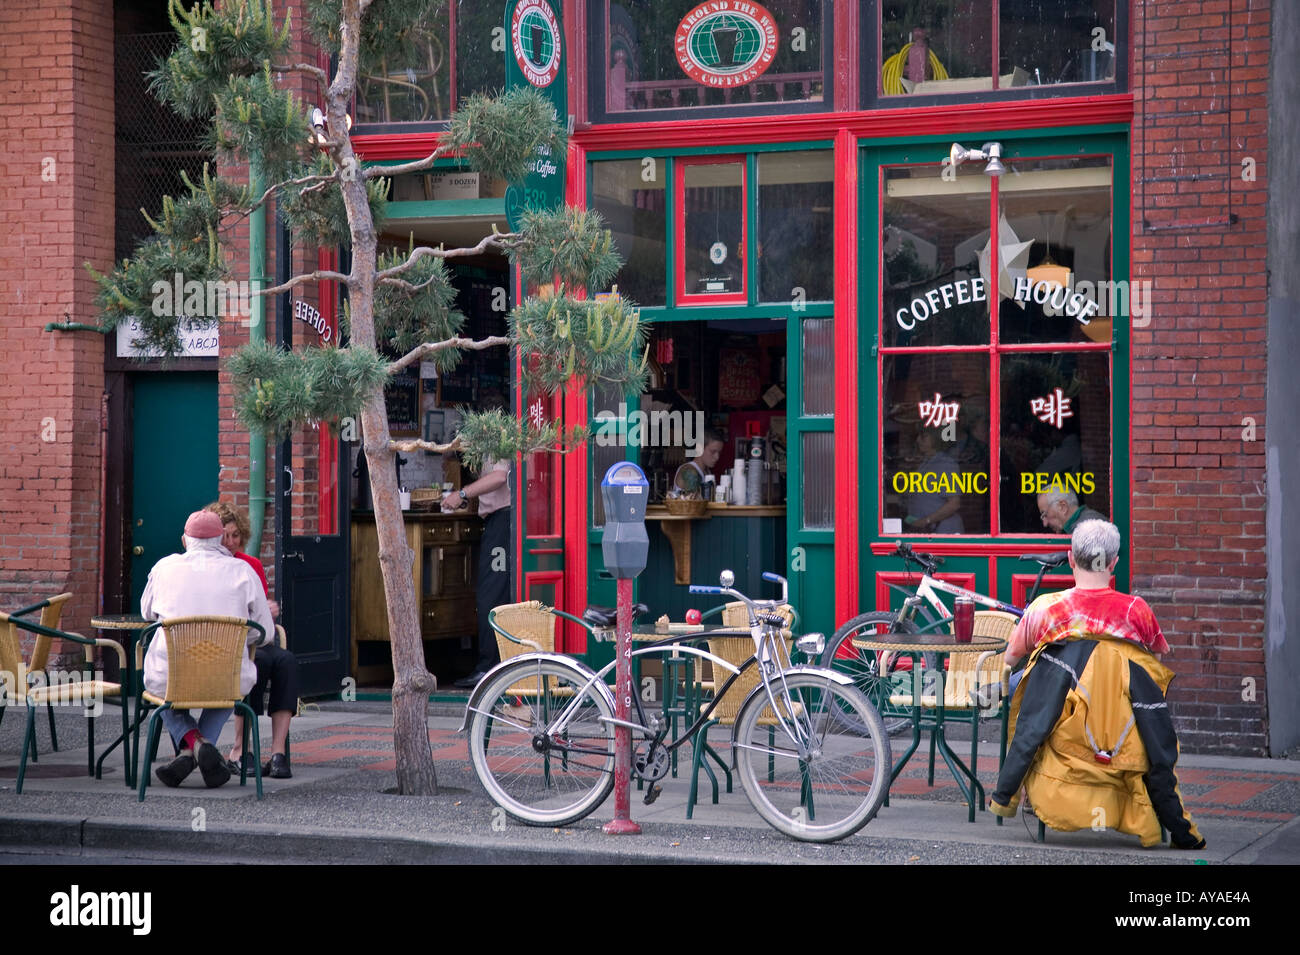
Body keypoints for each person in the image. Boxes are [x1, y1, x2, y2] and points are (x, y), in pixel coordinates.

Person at [991, 519, 1203, 849]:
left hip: (1063, 742)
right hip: (1127, 743)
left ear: (1071, 559)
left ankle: (1014, 796)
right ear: (1114, 562)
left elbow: (1011, 658)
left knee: (1028, 686)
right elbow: (1155, 667)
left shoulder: (1046, 609)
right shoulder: (1137, 610)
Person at [140, 510, 274, 788]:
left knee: (160, 689)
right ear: (220, 540)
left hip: (173, 674)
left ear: (185, 540)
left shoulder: (164, 568)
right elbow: (265, 632)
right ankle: (202, 748)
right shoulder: (243, 571)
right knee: (230, 688)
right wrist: (234, 637)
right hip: (225, 676)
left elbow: (147, 613)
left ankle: (192, 747)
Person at [206, 501, 297, 779]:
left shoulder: (251, 565)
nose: (231, 542)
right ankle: (239, 749)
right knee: (255, 664)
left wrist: (268, 610)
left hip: (254, 638)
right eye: (225, 535)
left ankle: (278, 754)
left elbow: (261, 612)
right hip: (223, 644)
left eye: (236, 536)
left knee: (286, 662)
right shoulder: (206, 566)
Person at [442, 455, 512, 689]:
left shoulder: (499, 437)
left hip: (502, 520)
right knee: (497, 593)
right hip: (501, 520)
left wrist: (461, 494)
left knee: (491, 595)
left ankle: (489, 668)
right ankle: (500, 665)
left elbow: (500, 476)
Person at [903, 428, 963, 533]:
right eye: (918, 436)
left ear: (936, 437)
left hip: (944, 532)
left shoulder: (946, 464)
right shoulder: (926, 462)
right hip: (929, 532)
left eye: (923, 436)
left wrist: (926, 521)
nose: (918, 440)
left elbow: (954, 503)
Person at [673, 430, 726, 496]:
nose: (717, 457)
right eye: (713, 452)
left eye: (719, 453)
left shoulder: (706, 471)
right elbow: (695, 503)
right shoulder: (689, 471)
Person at [1037, 487, 1106, 534]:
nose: (1045, 524)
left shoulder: (1090, 530)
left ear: (1062, 507)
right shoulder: (1088, 522)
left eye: (1045, 515)